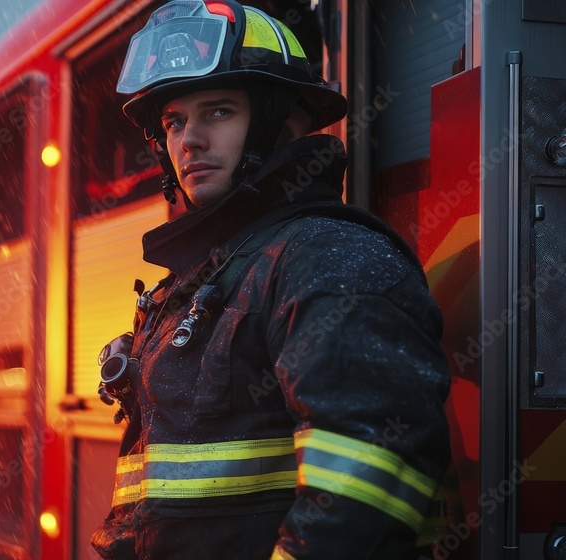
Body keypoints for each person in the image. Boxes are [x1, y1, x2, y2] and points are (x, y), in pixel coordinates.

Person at [91, 1, 452, 558]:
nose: (189, 140)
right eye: (174, 121)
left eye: (217, 113)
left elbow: (361, 501)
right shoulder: (215, 270)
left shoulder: (327, 257)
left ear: (283, 125)